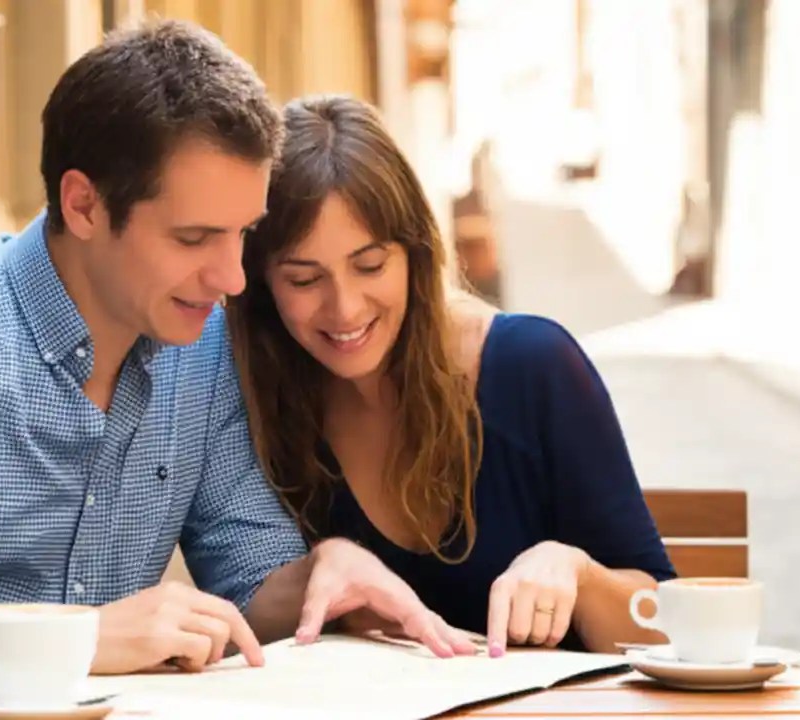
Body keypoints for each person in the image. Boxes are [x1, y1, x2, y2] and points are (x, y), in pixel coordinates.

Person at [0, 25, 474, 720]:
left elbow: (250, 582)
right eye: (194, 237)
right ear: (84, 204)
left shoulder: (204, 347)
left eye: (243, 234)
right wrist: (73, 636)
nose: (233, 277)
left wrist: (323, 575)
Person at [224, 95, 676, 660]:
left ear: (414, 255)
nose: (344, 309)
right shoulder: (261, 388)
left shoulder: (532, 365)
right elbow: (242, 603)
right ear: (262, 284)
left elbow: (666, 627)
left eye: (370, 266)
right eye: (303, 279)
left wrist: (579, 574)